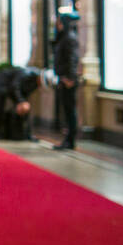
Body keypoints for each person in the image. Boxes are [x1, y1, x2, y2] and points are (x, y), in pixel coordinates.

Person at [52, 12, 82, 150]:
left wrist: (69, 78)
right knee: (67, 110)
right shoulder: (64, 38)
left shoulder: (69, 38)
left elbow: (72, 59)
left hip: (68, 80)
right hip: (63, 78)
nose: (57, 25)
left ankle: (70, 139)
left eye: (59, 22)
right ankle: (68, 139)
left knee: (70, 110)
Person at [0, 65, 41, 140]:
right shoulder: (26, 74)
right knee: (0, 109)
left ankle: (27, 134)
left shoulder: (36, 84)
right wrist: (21, 101)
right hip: (2, 84)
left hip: (12, 88)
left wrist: (23, 102)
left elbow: (25, 93)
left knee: (25, 109)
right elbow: (15, 86)